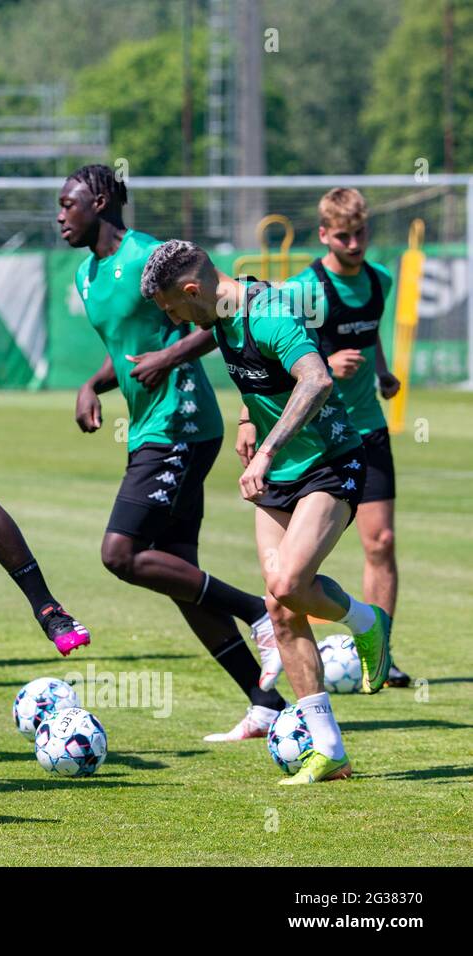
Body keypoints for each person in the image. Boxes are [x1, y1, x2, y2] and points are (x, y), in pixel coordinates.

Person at [141, 239, 393, 785]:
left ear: (191, 291)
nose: (176, 322)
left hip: (330, 461)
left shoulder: (270, 312)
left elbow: (316, 379)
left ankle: (365, 621)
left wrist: (271, 450)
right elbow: (258, 380)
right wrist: (247, 421)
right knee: (280, 609)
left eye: (173, 311)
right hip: (277, 472)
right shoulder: (224, 317)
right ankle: (329, 752)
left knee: (286, 582)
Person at [59, 164, 285, 741]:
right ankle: (267, 706)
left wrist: (170, 358)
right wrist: (92, 385)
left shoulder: (148, 255)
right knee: (177, 575)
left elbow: (221, 314)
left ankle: (259, 611)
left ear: (101, 201)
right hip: (148, 430)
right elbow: (127, 351)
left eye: (69, 204)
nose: (60, 216)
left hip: (181, 425)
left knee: (120, 554)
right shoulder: (87, 276)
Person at [276, 187, 408, 687]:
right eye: (344, 236)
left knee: (382, 542)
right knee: (300, 561)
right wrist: (325, 366)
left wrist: (383, 372)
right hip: (317, 437)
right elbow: (277, 354)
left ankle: (381, 655)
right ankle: (293, 647)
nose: (355, 244)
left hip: (369, 429)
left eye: (362, 233)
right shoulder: (300, 290)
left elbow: (369, 332)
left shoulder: (381, 281)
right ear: (325, 234)